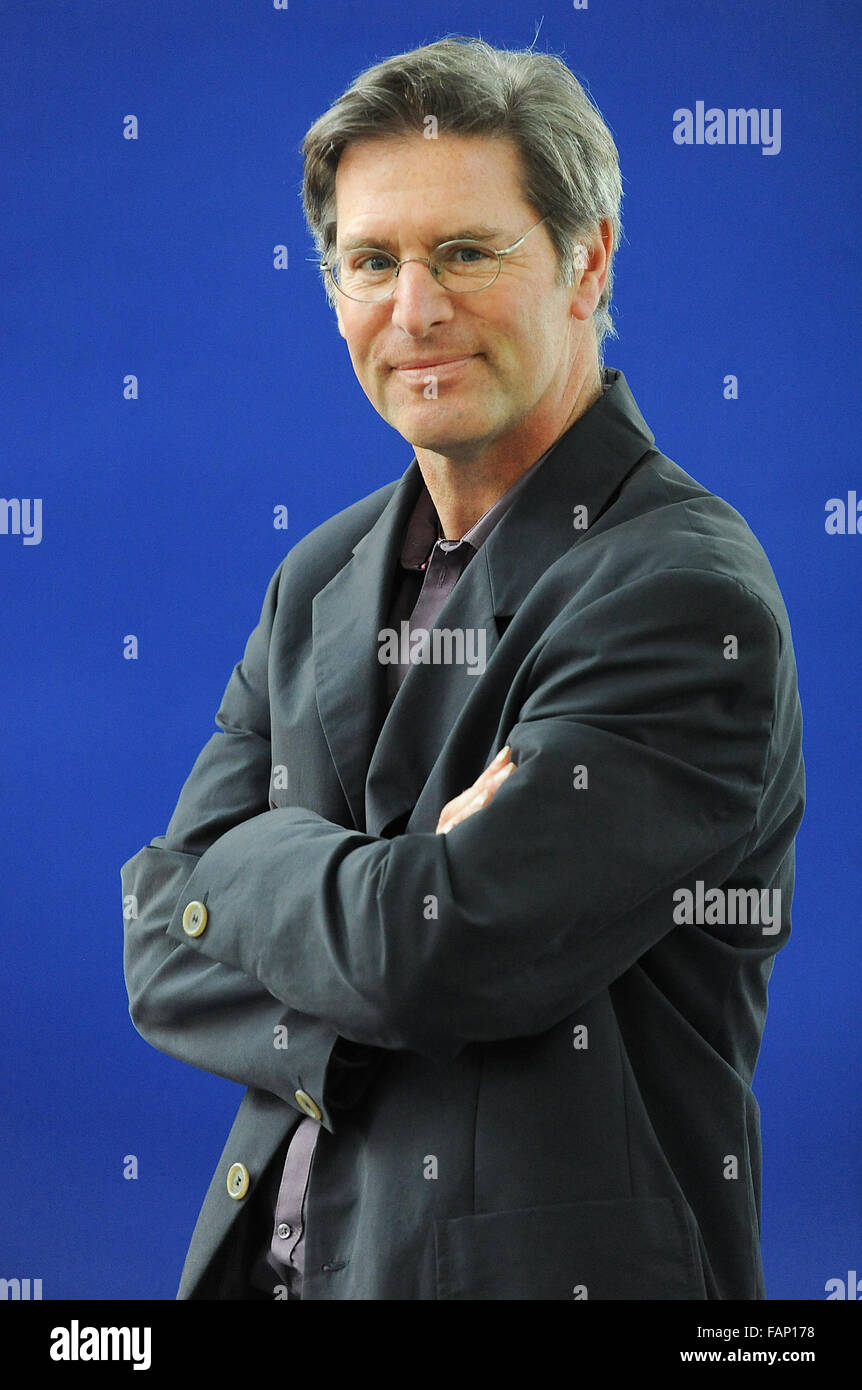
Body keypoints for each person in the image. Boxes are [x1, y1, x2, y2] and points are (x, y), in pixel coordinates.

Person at [121, 36, 805, 1301]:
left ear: (585, 261)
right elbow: (157, 947)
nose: (413, 308)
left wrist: (244, 867)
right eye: (370, 261)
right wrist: (385, 890)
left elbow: (428, 955)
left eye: (467, 252)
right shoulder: (318, 573)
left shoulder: (681, 593)